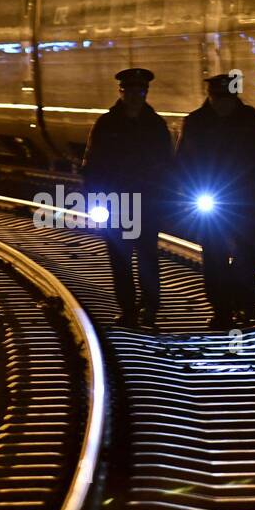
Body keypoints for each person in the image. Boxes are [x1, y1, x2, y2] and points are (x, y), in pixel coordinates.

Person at [176, 72, 255, 330]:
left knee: (245, 251)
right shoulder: (196, 121)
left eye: (226, 99)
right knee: (215, 253)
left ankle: (244, 302)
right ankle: (222, 309)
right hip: (215, 194)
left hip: (242, 195)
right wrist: (189, 187)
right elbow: (183, 159)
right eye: (219, 98)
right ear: (211, 97)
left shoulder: (248, 118)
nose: (223, 104)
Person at [80, 68, 173, 328]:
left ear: (145, 93)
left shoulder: (155, 125)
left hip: (146, 201)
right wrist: (95, 196)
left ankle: (149, 306)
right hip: (117, 201)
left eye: (139, 91)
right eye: (129, 91)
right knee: (121, 257)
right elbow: (92, 163)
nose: (134, 96)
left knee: (145, 255)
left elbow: (167, 165)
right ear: (121, 92)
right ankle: (129, 308)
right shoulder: (107, 124)